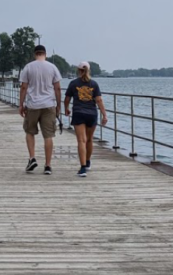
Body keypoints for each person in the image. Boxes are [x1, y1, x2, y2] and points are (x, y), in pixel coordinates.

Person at [18, 44, 62, 174]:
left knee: (29, 132)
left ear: (34, 54)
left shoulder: (28, 67)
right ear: (45, 54)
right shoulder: (52, 67)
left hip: (32, 105)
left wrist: (21, 104)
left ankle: (32, 158)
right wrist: (58, 105)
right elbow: (58, 88)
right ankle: (48, 166)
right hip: (49, 105)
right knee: (48, 136)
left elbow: (24, 87)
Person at [64, 61, 108, 177]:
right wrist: (104, 114)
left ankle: (83, 168)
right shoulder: (94, 84)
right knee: (89, 139)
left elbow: (67, 98)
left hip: (78, 113)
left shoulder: (73, 83)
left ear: (78, 70)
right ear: (89, 70)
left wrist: (66, 109)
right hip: (91, 114)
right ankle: (88, 162)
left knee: (81, 141)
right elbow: (99, 100)